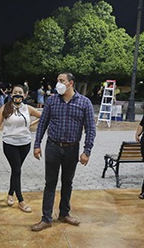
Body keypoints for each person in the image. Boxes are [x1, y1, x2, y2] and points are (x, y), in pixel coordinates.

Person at [31, 72, 96, 232]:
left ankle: (64, 214)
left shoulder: (84, 102)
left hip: (72, 148)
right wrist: (37, 144)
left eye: (62, 80)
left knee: (67, 182)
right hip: (53, 146)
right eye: (57, 80)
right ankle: (46, 218)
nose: (58, 83)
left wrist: (87, 151)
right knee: (50, 183)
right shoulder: (52, 101)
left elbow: (90, 128)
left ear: (70, 83)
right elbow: (42, 123)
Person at [0, 84, 42, 213]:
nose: (17, 94)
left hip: (25, 144)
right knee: (17, 170)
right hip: (10, 143)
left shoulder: (28, 108)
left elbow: (41, 116)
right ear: (11, 94)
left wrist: (30, 124)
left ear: (25, 95)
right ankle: (21, 200)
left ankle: (10, 194)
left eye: (20, 92)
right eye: (15, 92)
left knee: (16, 170)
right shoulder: (5, 108)